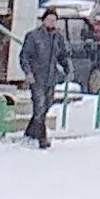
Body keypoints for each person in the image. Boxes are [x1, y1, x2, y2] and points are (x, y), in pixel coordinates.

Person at [18, 8, 69, 149]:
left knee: (46, 106)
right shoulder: (33, 36)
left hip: (50, 78)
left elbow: (63, 55)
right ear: (43, 20)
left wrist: (67, 68)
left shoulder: (58, 38)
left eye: (54, 20)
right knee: (39, 106)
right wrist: (28, 73)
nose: (52, 23)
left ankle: (30, 133)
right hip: (37, 78)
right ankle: (42, 138)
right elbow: (24, 56)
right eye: (49, 20)